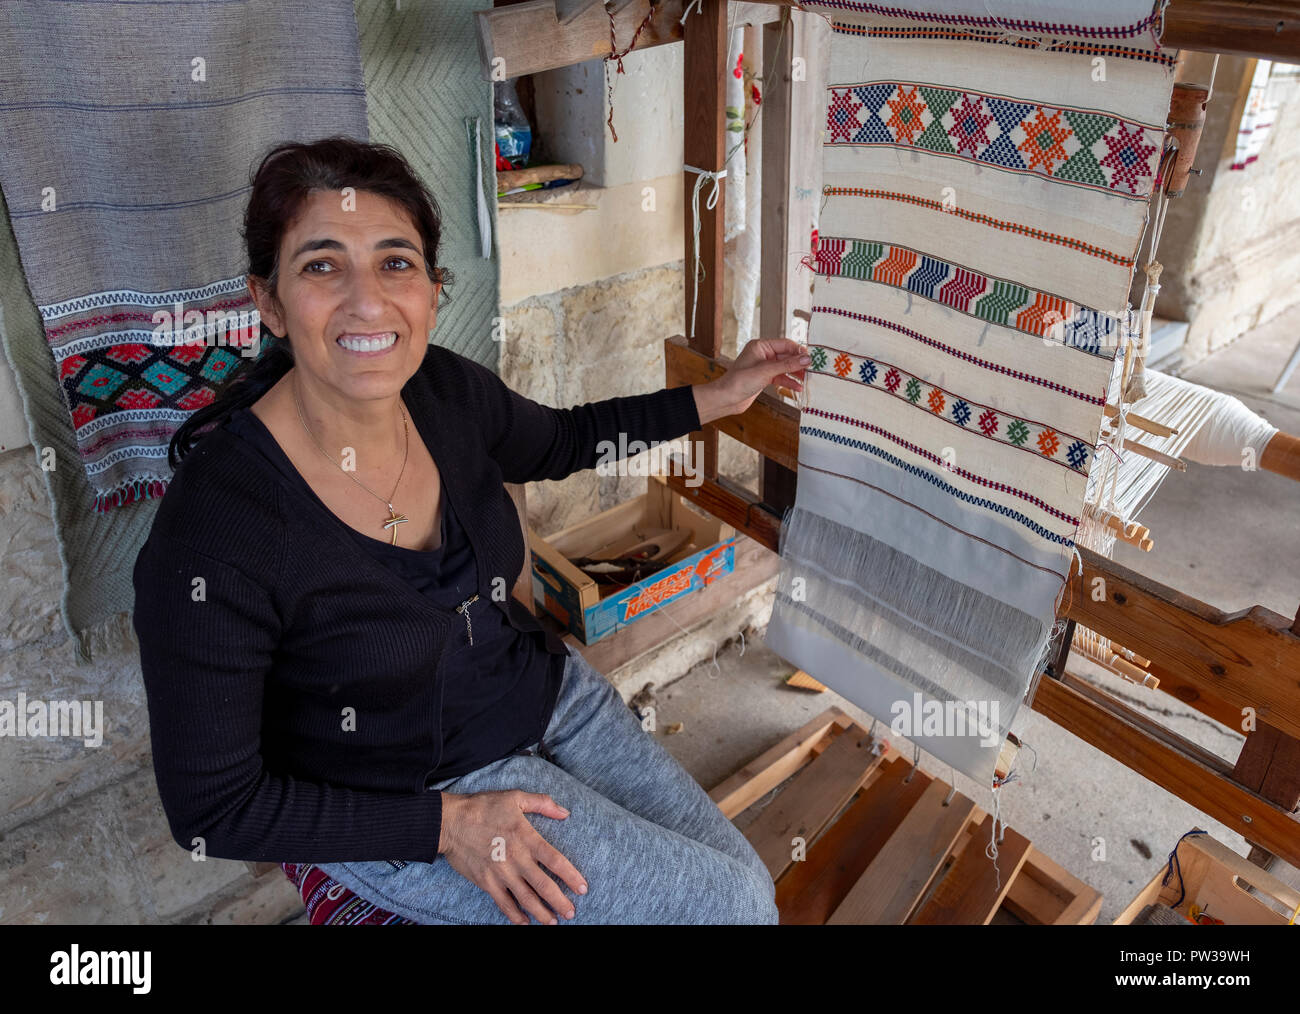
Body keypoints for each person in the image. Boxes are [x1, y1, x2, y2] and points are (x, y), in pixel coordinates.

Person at [132, 135, 811, 925]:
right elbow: (212, 810)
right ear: (270, 302)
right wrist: (446, 828)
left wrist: (720, 399)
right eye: (322, 265)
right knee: (732, 911)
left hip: (551, 701)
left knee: (749, 892)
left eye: (396, 262)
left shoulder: (444, 392)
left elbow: (562, 439)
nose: (367, 301)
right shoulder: (219, 526)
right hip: (406, 794)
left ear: (430, 289)